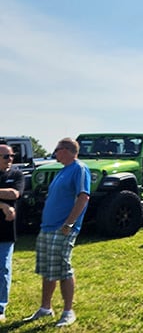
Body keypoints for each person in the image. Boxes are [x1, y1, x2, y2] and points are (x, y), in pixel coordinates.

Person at [24, 137, 90, 328]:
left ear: (67, 150)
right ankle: (45, 308)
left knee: (63, 268)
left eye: (57, 149)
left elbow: (83, 197)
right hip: (48, 228)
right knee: (47, 269)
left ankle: (68, 311)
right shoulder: (63, 170)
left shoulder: (79, 169)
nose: (54, 153)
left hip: (63, 228)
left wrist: (69, 223)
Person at [0, 144, 24, 323]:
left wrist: (6, 201)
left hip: (6, 231)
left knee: (3, 269)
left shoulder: (16, 175)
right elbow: (5, 197)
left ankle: (0, 307)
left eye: (12, 156)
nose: (10, 160)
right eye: (6, 156)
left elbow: (14, 193)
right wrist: (2, 205)